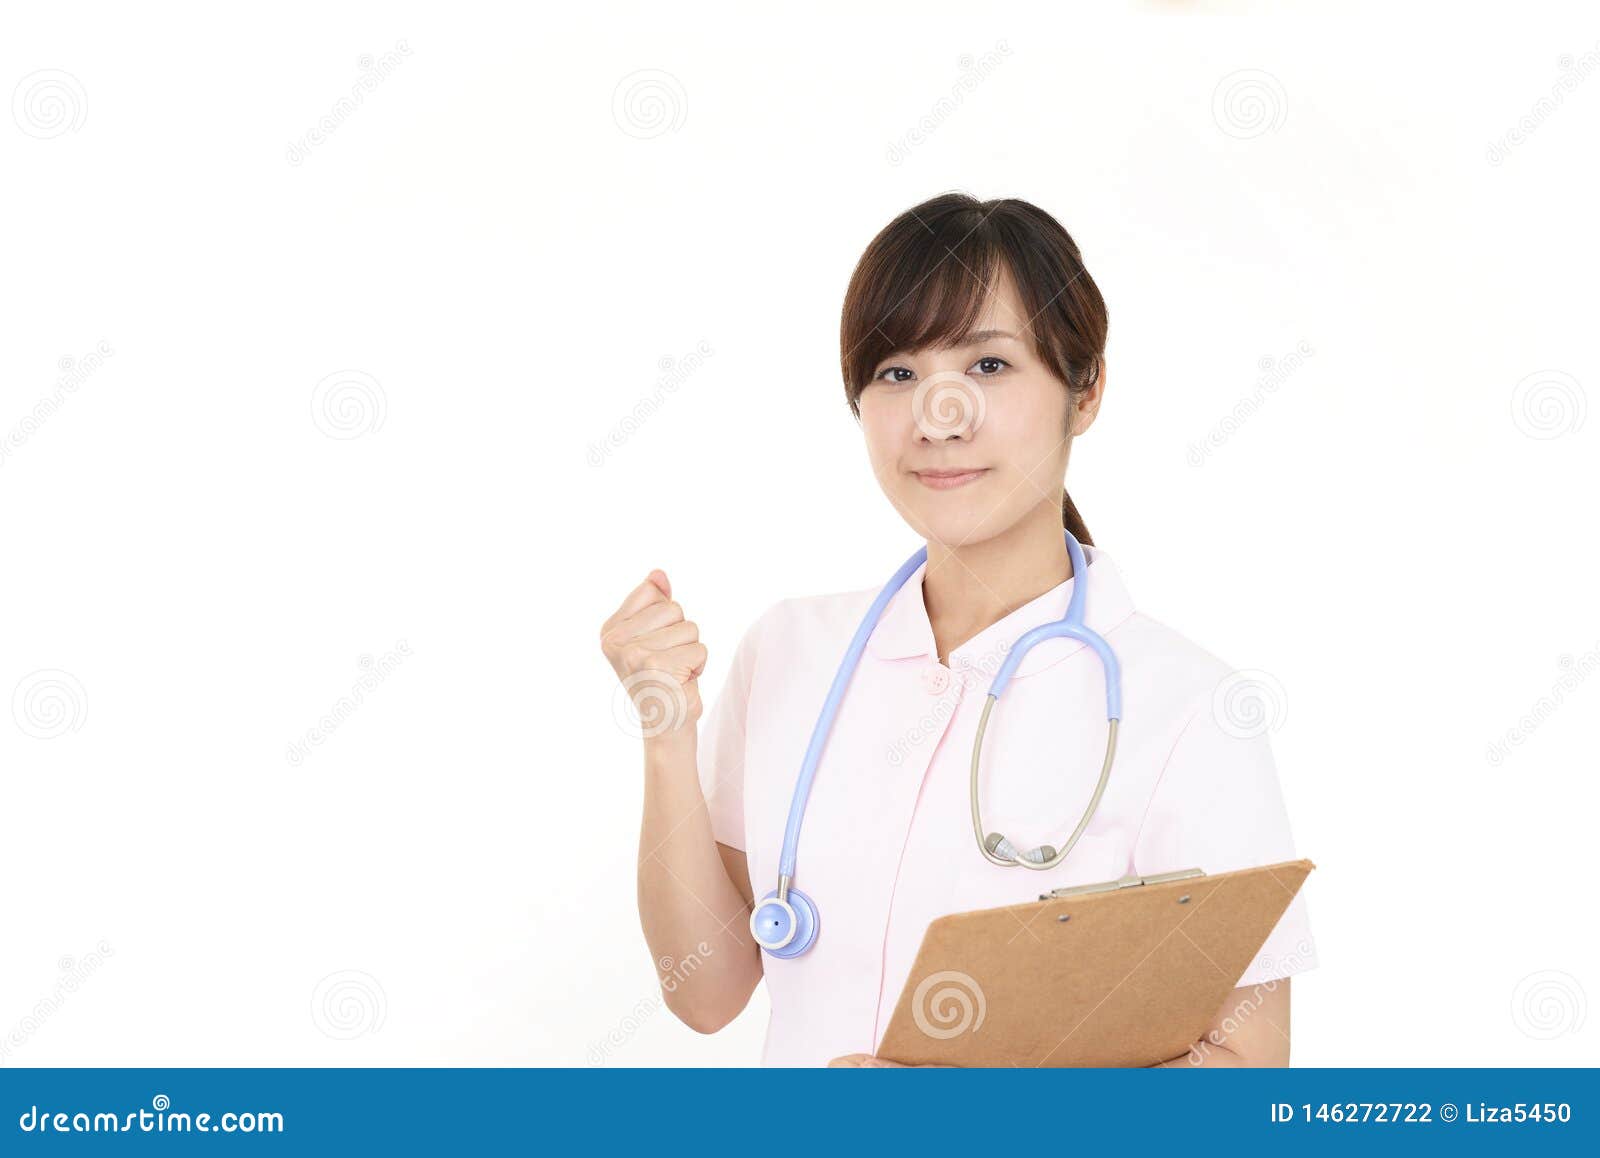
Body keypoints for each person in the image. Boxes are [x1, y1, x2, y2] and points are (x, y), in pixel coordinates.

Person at [600, 193, 1317, 1067]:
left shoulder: (1192, 706)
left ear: (1084, 390)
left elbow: (1245, 1079)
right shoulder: (791, 652)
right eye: (899, 373)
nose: (939, 417)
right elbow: (706, 996)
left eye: (987, 366)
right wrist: (667, 736)